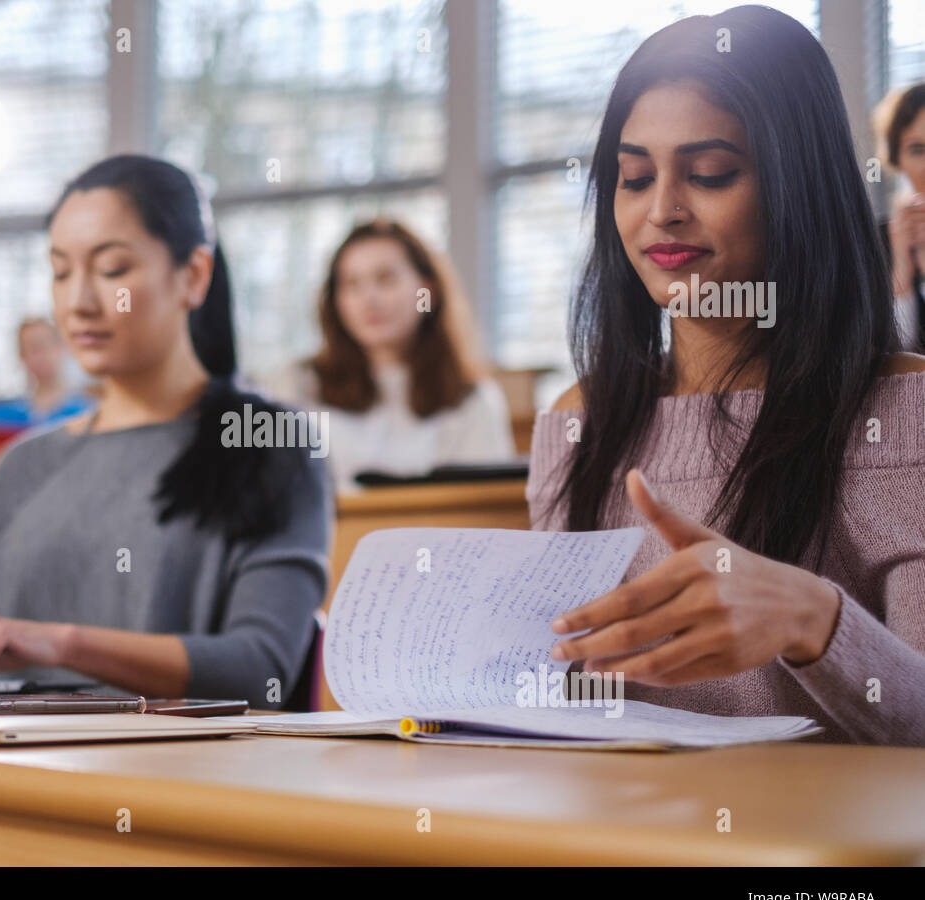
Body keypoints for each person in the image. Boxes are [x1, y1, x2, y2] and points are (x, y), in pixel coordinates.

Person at [527, 5, 925, 746]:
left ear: (797, 185)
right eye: (635, 176)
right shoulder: (579, 418)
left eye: (710, 173)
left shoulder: (905, 409)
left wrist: (816, 622)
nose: (662, 212)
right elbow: (557, 697)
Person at [0, 155, 333, 705]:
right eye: (61, 272)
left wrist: (63, 643)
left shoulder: (269, 441)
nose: (79, 302)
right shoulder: (25, 465)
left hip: (174, 780)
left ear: (193, 276)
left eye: (113, 269)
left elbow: (260, 670)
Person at [267, 218, 516, 492]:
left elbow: (488, 509)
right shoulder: (296, 386)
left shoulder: (474, 400)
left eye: (385, 279)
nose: (368, 299)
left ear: (427, 292)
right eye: (351, 284)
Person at [0, 316, 94, 431]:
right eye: (31, 349)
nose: (41, 355)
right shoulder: (0, 413)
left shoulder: (85, 411)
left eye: (46, 345)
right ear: (22, 357)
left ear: (62, 347)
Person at [873, 83, 925, 352]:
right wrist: (902, 272)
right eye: (918, 150)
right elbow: (891, 363)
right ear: (897, 158)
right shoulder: (873, 242)